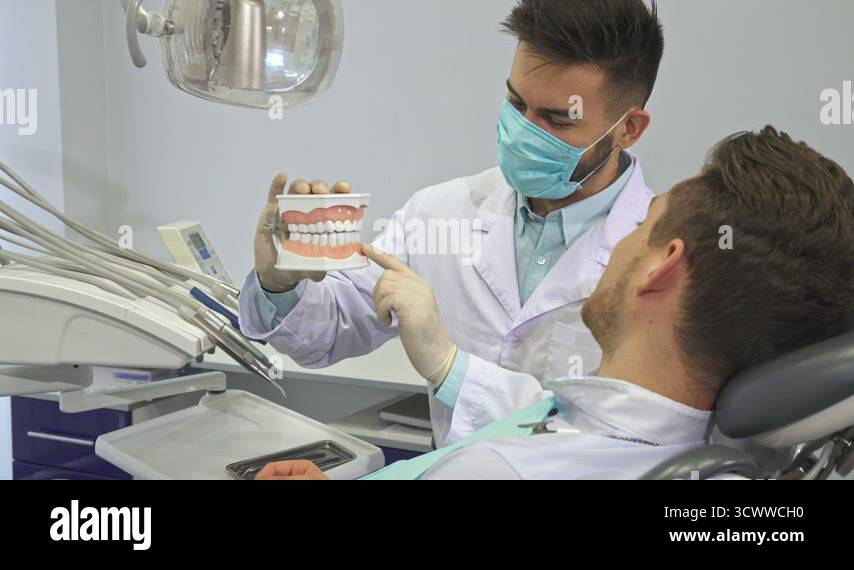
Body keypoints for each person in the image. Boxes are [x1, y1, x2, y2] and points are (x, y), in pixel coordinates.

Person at [256, 126, 854, 480]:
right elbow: (556, 419)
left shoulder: (494, 472)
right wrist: (445, 362)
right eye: (519, 105)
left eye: (641, 224)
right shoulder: (712, 448)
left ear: (663, 265)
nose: (620, 240)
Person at [241, 0, 665, 444]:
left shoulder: (664, 260)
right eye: (516, 103)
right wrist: (280, 283)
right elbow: (328, 334)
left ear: (628, 128)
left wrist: (450, 366)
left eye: (556, 120)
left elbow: (628, 438)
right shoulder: (441, 212)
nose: (524, 131)